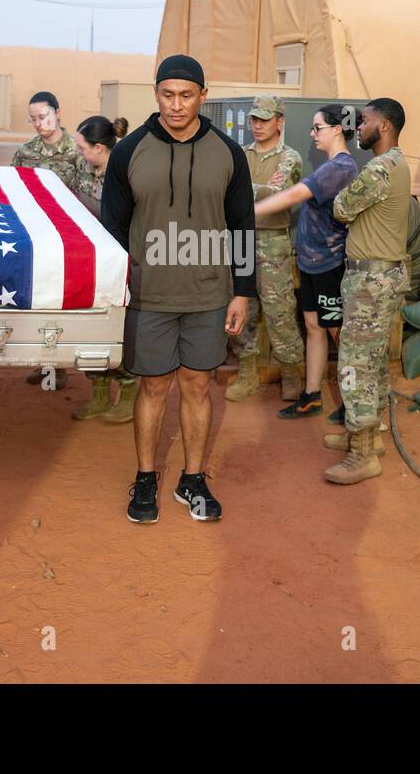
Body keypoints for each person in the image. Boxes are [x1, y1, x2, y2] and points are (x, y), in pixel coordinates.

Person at [101, 54, 256, 523]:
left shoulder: (228, 153)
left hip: (209, 294)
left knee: (197, 386)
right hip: (149, 294)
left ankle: (192, 479)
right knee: (152, 387)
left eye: (186, 95)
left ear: (203, 97)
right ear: (156, 94)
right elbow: (112, 229)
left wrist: (242, 291)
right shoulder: (129, 151)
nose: (176, 105)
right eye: (167, 95)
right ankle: (146, 478)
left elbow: (242, 226)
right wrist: (115, 291)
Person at [322, 98, 413, 484]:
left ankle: (362, 454)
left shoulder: (380, 168)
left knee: (355, 363)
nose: (358, 127)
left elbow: (342, 207)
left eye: (365, 121)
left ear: (386, 125)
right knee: (372, 360)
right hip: (379, 275)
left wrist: (344, 201)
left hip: (371, 278)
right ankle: (369, 437)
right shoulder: (396, 164)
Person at [253, 104, 359, 420]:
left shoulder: (340, 167)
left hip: (330, 263)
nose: (312, 134)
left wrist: (247, 213)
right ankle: (312, 395)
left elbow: (291, 196)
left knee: (338, 332)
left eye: (318, 128)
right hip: (313, 262)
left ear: (337, 129)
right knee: (314, 326)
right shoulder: (330, 166)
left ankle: (354, 404)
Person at [224, 95, 306, 407]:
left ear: (279, 122)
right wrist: (252, 189)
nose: (257, 125)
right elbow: (228, 188)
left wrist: (243, 188)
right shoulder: (240, 154)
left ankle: (290, 372)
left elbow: (280, 191)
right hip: (241, 239)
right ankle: (248, 373)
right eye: (254, 120)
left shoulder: (290, 157)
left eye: (265, 119)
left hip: (273, 242)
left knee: (279, 311)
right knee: (242, 307)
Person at [69, 114, 137, 423]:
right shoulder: (86, 169)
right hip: (91, 260)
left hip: (121, 259)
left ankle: (128, 394)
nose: (79, 153)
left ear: (99, 147)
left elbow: (124, 218)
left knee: (120, 326)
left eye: (83, 148)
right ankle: (98, 393)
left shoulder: (125, 172)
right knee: (91, 325)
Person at [13, 89, 79, 388]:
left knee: (60, 301)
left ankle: (58, 365)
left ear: (58, 113)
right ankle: (44, 360)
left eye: (44, 117)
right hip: (36, 238)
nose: (40, 124)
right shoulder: (26, 153)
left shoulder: (77, 150)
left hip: (69, 239)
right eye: (34, 119)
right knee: (39, 299)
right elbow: (13, 192)